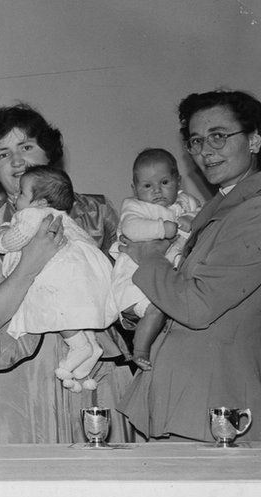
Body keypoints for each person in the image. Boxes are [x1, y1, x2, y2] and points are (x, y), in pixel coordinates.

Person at [0, 103, 130, 444]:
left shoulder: (96, 211)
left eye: (26, 147)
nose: (16, 161)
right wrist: (32, 261)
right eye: (2, 154)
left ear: (48, 153)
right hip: (15, 373)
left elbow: (126, 294)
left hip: (95, 362)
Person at [119, 89, 261, 442]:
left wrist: (149, 257)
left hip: (216, 402)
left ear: (255, 140)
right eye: (196, 141)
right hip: (181, 396)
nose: (205, 151)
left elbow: (196, 306)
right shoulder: (215, 206)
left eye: (218, 136)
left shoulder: (255, 211)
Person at [0, 166, 117, 391]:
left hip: (58, 272)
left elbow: (16, 238)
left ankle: (79, 346)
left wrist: (1, 239)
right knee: (79, 315)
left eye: (22, 193)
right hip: (82, 273)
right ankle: (91, 348)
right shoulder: (64, 218)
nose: (16, 197)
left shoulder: (33, 214)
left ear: (40, 202)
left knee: (58, 309)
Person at [109, 149, 201, 369]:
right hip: (134, 277)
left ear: (178, 181)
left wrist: (191, 218)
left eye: (165, 182)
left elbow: (202, 215)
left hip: (168, 274)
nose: (157, 191)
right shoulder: (135, 206)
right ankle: (140, 350)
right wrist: (163, 229)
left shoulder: (186, 202)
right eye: (147, 186)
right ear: (135, 189)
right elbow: (131, 228)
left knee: (165, 308)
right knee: (156, 308)